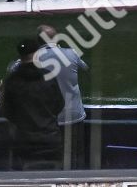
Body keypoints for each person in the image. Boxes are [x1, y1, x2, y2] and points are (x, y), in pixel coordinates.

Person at [0, 38, 65, 171]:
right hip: (50, 139)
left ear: (20, 55)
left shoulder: (12, 80)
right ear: (37, 53)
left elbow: (7, 111)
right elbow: (59, 104)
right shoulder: (49, 76)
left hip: (24, 141)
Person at [35, 25, 89, 170]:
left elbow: (13, 69)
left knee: (51, 160)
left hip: (48, 120)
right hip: (74, 116)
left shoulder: (33, 59)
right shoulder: (71, 53)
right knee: (76, 158)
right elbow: (85, 67)